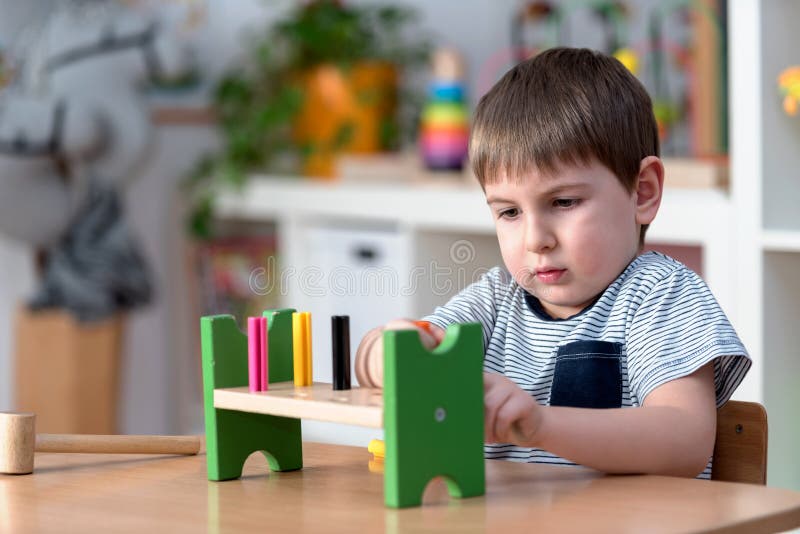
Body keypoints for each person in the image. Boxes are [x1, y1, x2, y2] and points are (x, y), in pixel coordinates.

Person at [354, 47, 750, 478]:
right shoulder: (496, 300)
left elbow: (684, 442)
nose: (535, 240)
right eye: (509, 212)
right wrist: (396, 348)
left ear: (643, 192)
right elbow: (379, 359)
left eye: (563, 202)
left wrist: (541, 425)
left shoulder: (661, 295)